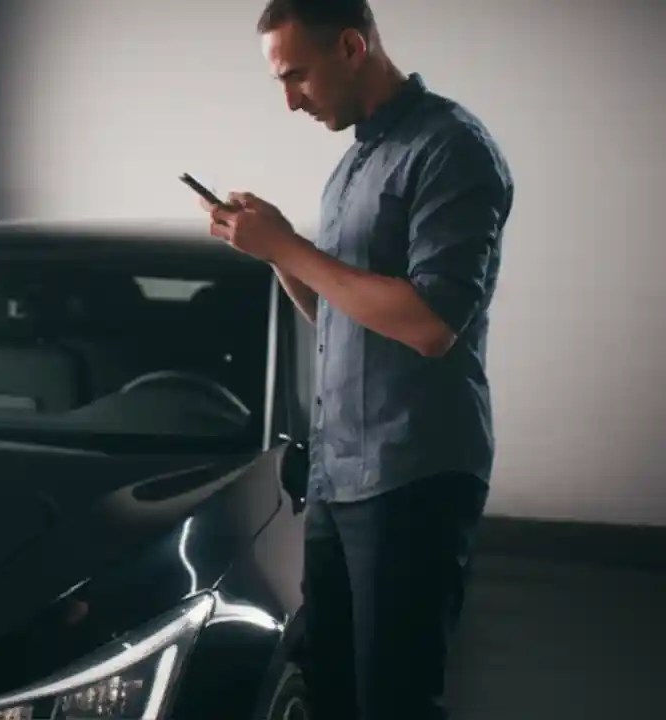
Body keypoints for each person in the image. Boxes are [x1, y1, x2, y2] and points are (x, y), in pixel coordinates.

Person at [199, 1, 513, 719]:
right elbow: (342, 316)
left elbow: (431, 324)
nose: (290, 102)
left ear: (350, 46)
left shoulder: (451, 147)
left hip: (413, 475)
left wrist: (287, 246)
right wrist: (271, 250)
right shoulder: (352, 167)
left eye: (297, 77)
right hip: (341, 477)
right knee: (332, 687)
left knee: (394, 698)